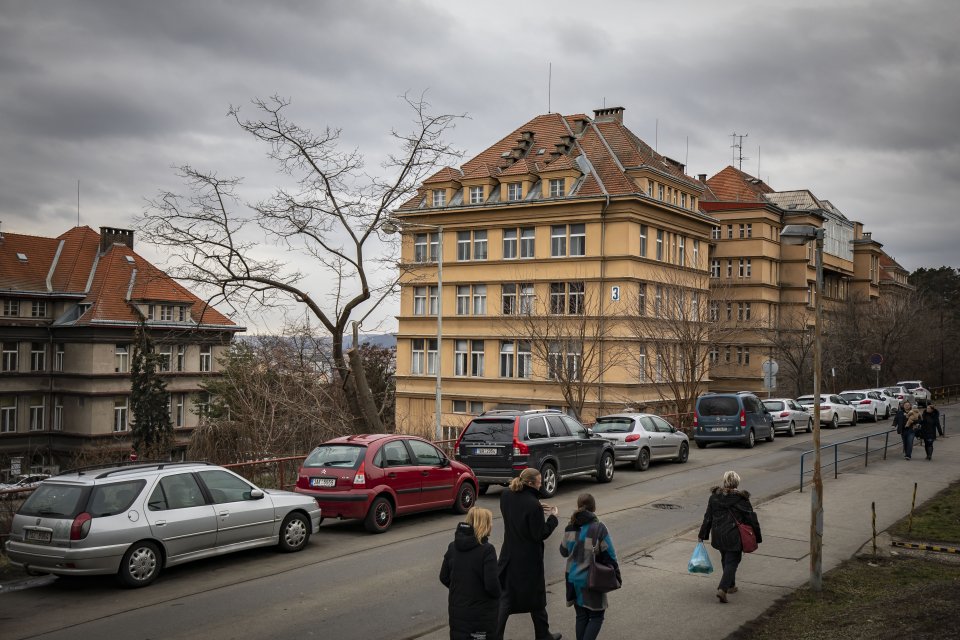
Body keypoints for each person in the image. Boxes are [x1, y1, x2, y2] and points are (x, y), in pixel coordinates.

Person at [497, 467, 562, 640]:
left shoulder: (506, 496)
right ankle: (543, 635)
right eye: (540, 482)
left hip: (509, 555)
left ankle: (496, 635)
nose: (541, 485)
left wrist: (538, 506)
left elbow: (517, 510)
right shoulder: (533, 506)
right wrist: (553, 518)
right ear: (532, 483)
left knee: (506, 598)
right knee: (536, 598)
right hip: (528, 560)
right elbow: (539, 534)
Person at [559, 493, 620, 640]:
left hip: (572, 579)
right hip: (591, 580)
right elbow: (610, 554)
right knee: (597, 616)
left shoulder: (570, 527)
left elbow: (563, 551)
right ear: (594, 507)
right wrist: (616, 574)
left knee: (581, 616)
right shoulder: (599, 528)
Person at [697, 470, 762, 603]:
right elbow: (751, 519)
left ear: (724, 482)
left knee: (725, 558)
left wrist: (702, 534)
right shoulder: (742, 499)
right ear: (737, 483)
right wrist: (757, 536)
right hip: (734, 536)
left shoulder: (714, 497)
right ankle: (723, 588)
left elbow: (708, 517)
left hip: (718, 535)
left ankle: (731, 586)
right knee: (732, 561)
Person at [439, 507, 501, 640]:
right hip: (480, 616)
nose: (492, 524)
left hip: (458, 613)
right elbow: (492, 586)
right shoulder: (487, 550)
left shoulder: (453, 546)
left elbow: (443, 577)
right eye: (490, 521)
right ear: (483, 524)